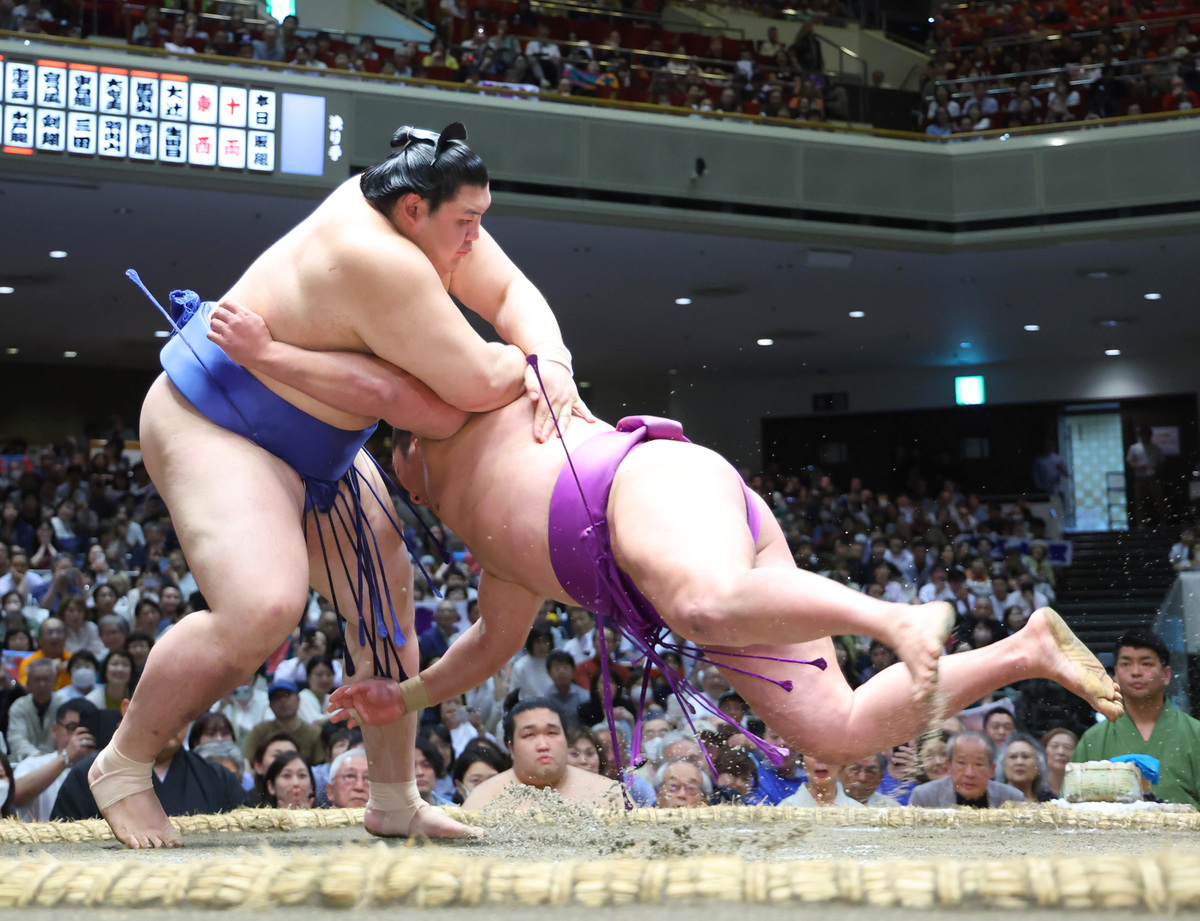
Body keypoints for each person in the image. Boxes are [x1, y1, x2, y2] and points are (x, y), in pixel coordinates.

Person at [225, 319, 1123, 779]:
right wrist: (407, 692)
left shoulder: (456, 413)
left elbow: (375, 380)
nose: (392, 468)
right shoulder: (495, 557)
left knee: (702, 602)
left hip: (648, 488)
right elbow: (491, 646)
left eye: (390, 454)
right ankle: (1024, 648)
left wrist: (270, 353)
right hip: (678, 544)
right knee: (837, 731)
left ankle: (895, 615)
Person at [88, 121, 588, 849]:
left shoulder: (426, 211)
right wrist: (529, 362)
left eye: (482, 221)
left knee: (387, 601)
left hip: (325, 440)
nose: (476, 241)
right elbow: (471, 387)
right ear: (415, 210)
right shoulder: (375, 256)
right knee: (262, 606)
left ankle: (393, 797)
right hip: (218, 420)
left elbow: (511, 289)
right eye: (467, 223)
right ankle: (124, 763)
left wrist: (555, 360)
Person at [53, 703, 250, 821]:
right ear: (128, 709)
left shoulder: (219, 778)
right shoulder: (86, 776)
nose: (169, 717)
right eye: (158, 705)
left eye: (179, 707)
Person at [1073, 629, 1200, 807]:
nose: (1136, 672)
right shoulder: (1093, 739)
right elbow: (1073, 805)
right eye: (1126, 664)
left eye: (1146, 664)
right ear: (1115, 675)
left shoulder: (1195, 733)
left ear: (1167, 675)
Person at [462, 699, 620, 808]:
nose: (543, 745)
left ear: (565, 741)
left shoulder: (607, 793)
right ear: (511, 748)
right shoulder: (483, 799)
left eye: (552, 733)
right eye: (529, 735)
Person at [11, 699, 98, 821]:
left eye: (85, 729)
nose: (79, 736)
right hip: (41, 838)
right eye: (71, 728)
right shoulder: (35, 763)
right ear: (54, 730)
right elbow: (14, 795)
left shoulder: (103, 766)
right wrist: (66, 757)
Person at [907, 731, 1025, 808]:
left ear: (992, 770)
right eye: (961, 763)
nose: (969, 774)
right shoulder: (924, 797)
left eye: (978, 764)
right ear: (948, 765)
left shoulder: (1012, 798)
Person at [241, 680, 326, 767]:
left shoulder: (313, 733)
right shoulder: (260, 731)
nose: (283, 700)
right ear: (270, 705)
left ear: (298, 699)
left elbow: (321, 765)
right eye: (277, 697)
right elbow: (247, 759)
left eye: (287, 695)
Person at [779, 753, 864, 807]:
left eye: (829, 752)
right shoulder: (785, 809)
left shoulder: (858, 811)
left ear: (842, 764)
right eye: (811, 752)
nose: (820, 759)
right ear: (802, 763)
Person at [995, 732, 1055, 802]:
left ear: (1039, 765)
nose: (1019, 762)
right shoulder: (991, 800)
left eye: (1025, 757)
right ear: (1002, 764)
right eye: (1013, 757)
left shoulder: (1050, 802)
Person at [1041, 727, 1077, 796]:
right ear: (1044, 750)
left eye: (1068, 747)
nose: (1061, 752)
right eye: (1054, 746)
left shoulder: (1081, 786)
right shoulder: (1034, 786)